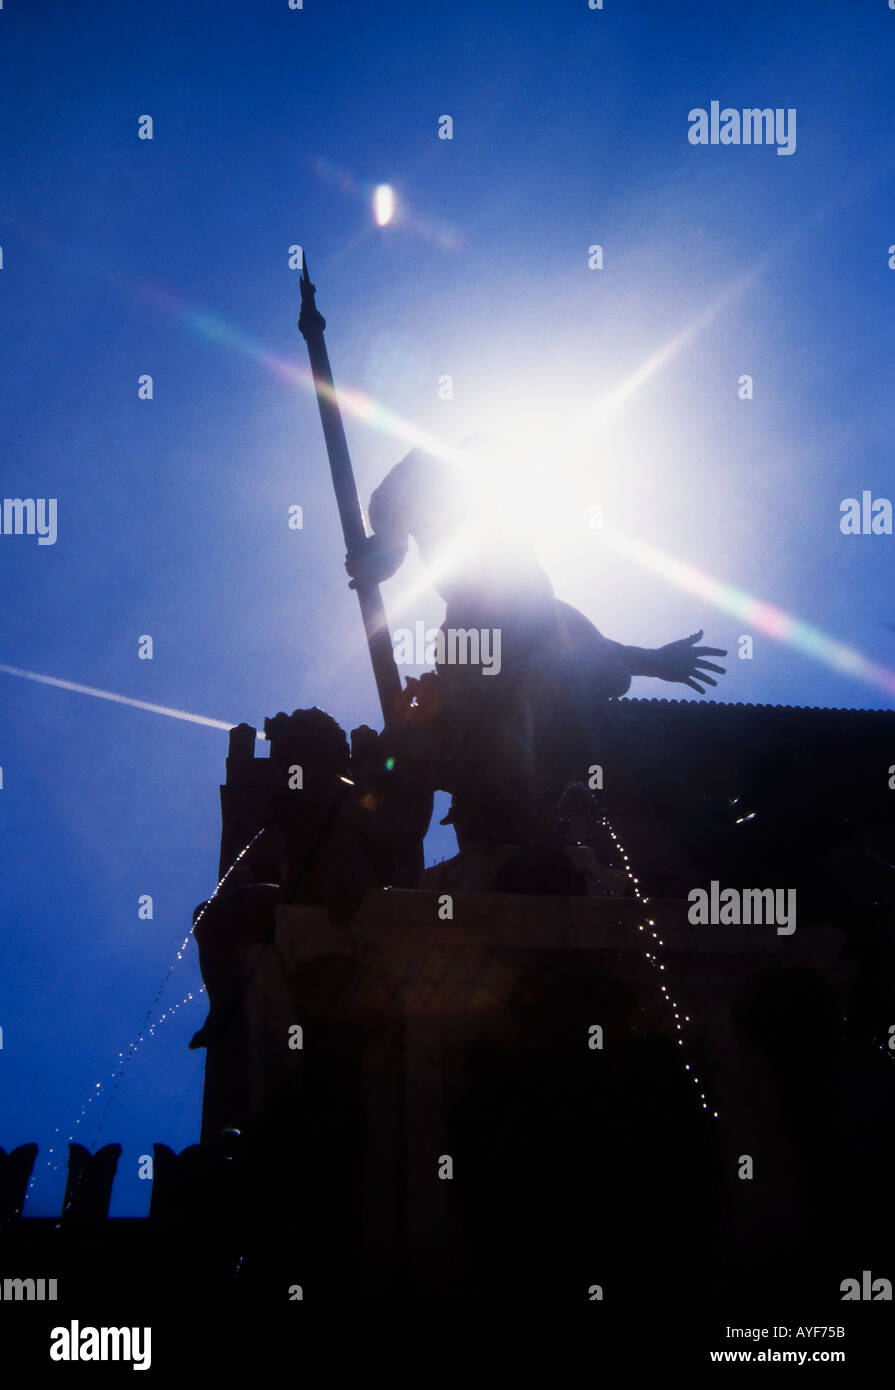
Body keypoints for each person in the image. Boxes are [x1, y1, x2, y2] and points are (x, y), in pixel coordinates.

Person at [347, 448, 727, 849]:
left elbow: (588, 649)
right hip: (479, 677)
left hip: (533, 721)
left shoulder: (536, 596)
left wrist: (658, 662)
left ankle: (693, 827)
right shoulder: (442, 490)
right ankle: (370, 840)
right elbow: (407, 483)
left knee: (616, 737)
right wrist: (389, 546)